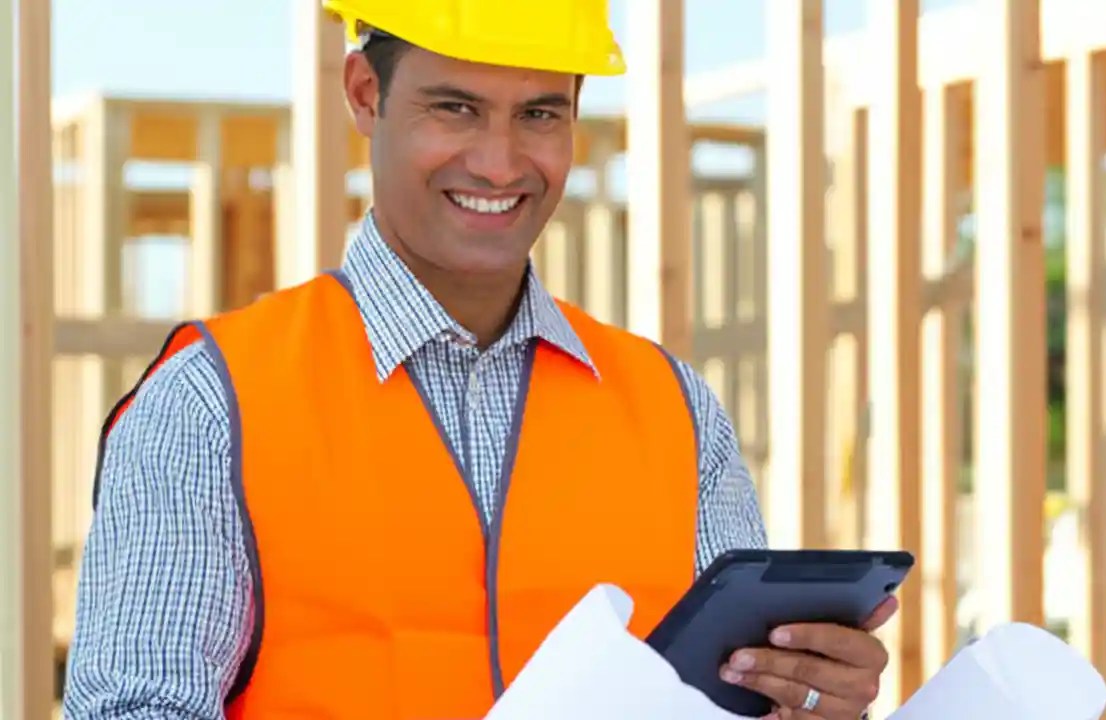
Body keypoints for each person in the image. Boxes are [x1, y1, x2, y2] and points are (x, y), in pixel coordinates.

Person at [62, 1, 896, 718]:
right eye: (455, 108)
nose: (499, 163)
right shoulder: (214, 404)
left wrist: (802, 701)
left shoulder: (674, 411)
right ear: (366, 93)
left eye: (539, 113)